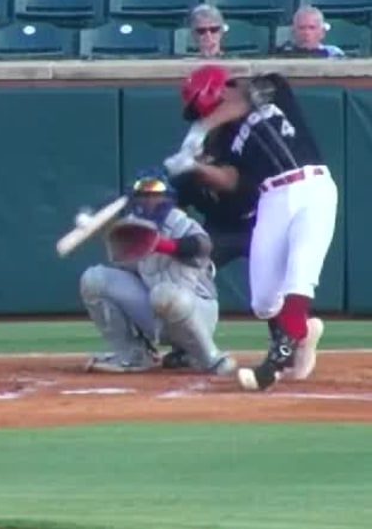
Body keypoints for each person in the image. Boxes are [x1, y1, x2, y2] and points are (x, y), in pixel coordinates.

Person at [164, 65, 337, 392]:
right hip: (272, 198)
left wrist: (199, 130)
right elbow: (231, 179)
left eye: (209, 106)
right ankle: (303, 330)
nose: (209, 113)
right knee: (263, 302)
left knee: (300, 277)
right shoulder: (226, 138)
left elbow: (242, 101)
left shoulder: (268, 87)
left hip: (313, 187)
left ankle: (273, 365)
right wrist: (194, 166)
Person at [78, 168, 236, 376]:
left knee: (165, 294)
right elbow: (127, 275)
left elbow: (202, 246)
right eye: (144, 196)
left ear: (167, 198)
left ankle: (210, 357)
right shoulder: (132, 228)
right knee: (94, 279)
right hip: (155, 313)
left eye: (155, 196)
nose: (149, 201)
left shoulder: (180, 222)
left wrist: (160, 244)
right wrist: (113, 234)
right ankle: (133, 354)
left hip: (197, 311)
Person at [276, 6, 347, 58]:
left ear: (322, 32)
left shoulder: (333, 54)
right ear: (293, 32)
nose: (306, 32)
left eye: (312, 28)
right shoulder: (281, 55)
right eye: (301, 28)